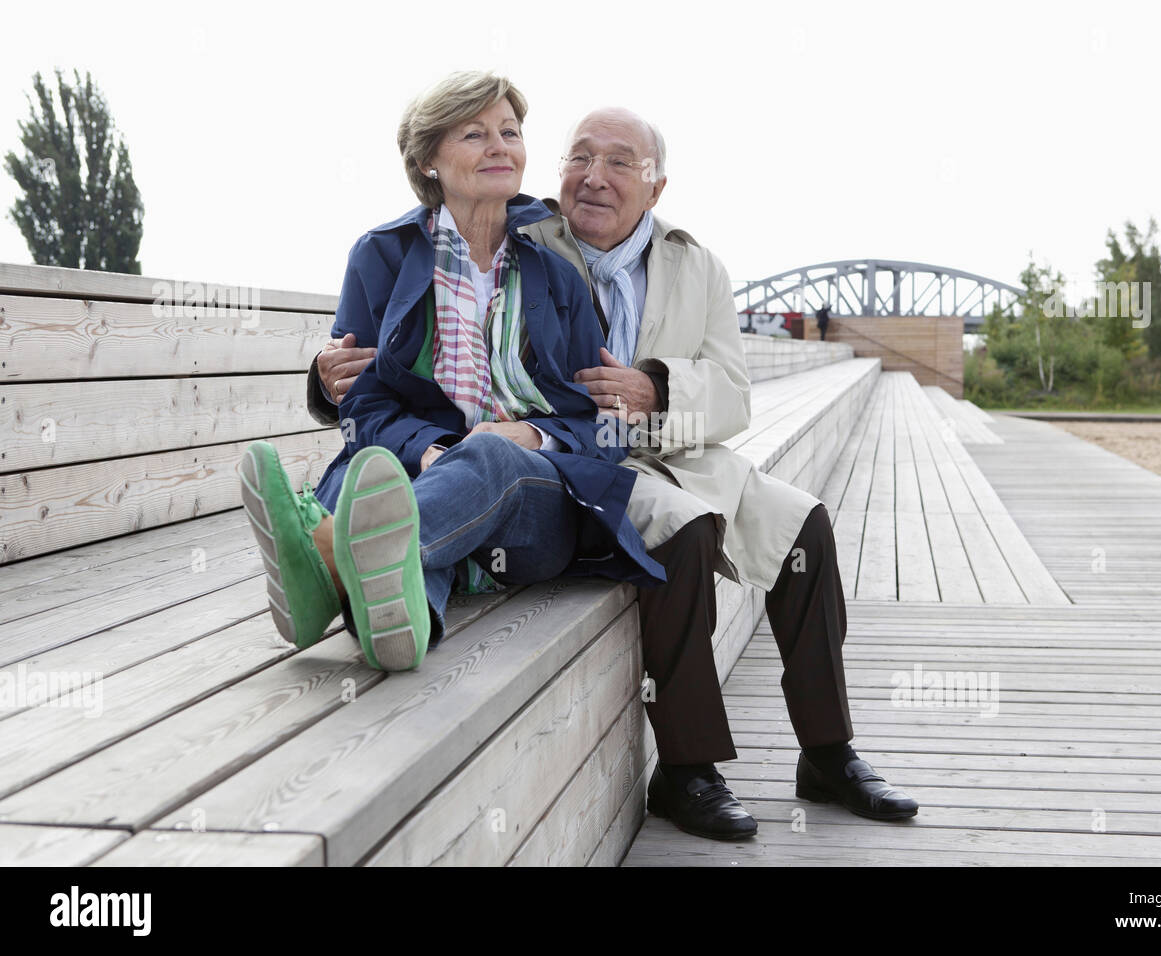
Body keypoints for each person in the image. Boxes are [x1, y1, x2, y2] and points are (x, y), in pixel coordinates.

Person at [308, 107, 918, 841]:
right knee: (681, 536)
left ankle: (827, 751)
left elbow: (733, 399)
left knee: (806, 530)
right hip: (587, 457)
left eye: (620, 163)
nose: (594, 178)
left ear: (656, 188)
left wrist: (659, 389)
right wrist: (323, 380)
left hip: (677, 448)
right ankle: (687, 769)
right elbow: (423, 298)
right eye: (580, 158)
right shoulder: (524, 235)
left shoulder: (697, 266)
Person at [242, 72, 663, 675]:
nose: (500, 146)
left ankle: (328, 567)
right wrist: (434, 453)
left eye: (510, 132)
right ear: (429, 160)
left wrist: (534, 437)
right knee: (370, 475)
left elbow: (604, 426)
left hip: (533, 501)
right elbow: (363, 409)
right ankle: (399, 623)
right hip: (416, 474)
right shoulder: (380, 256)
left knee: (487, 459)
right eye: (474, 133)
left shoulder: (559, 277)